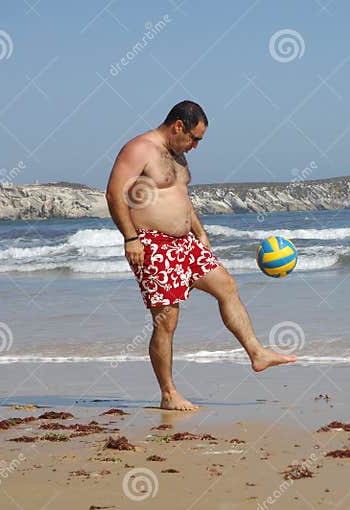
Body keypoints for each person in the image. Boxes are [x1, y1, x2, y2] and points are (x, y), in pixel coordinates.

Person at [105, 100, 296, 411]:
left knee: (227, 286)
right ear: (178, 126)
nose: (195, 146)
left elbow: (181, 197)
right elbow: (114, 193)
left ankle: (257, 353)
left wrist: (199, 232)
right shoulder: (140, 148)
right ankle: (168, 394)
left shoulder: (177, 155)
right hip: (153, 243)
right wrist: (130, 238)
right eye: (194, 138)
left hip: (186, 243)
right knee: (166, 320)